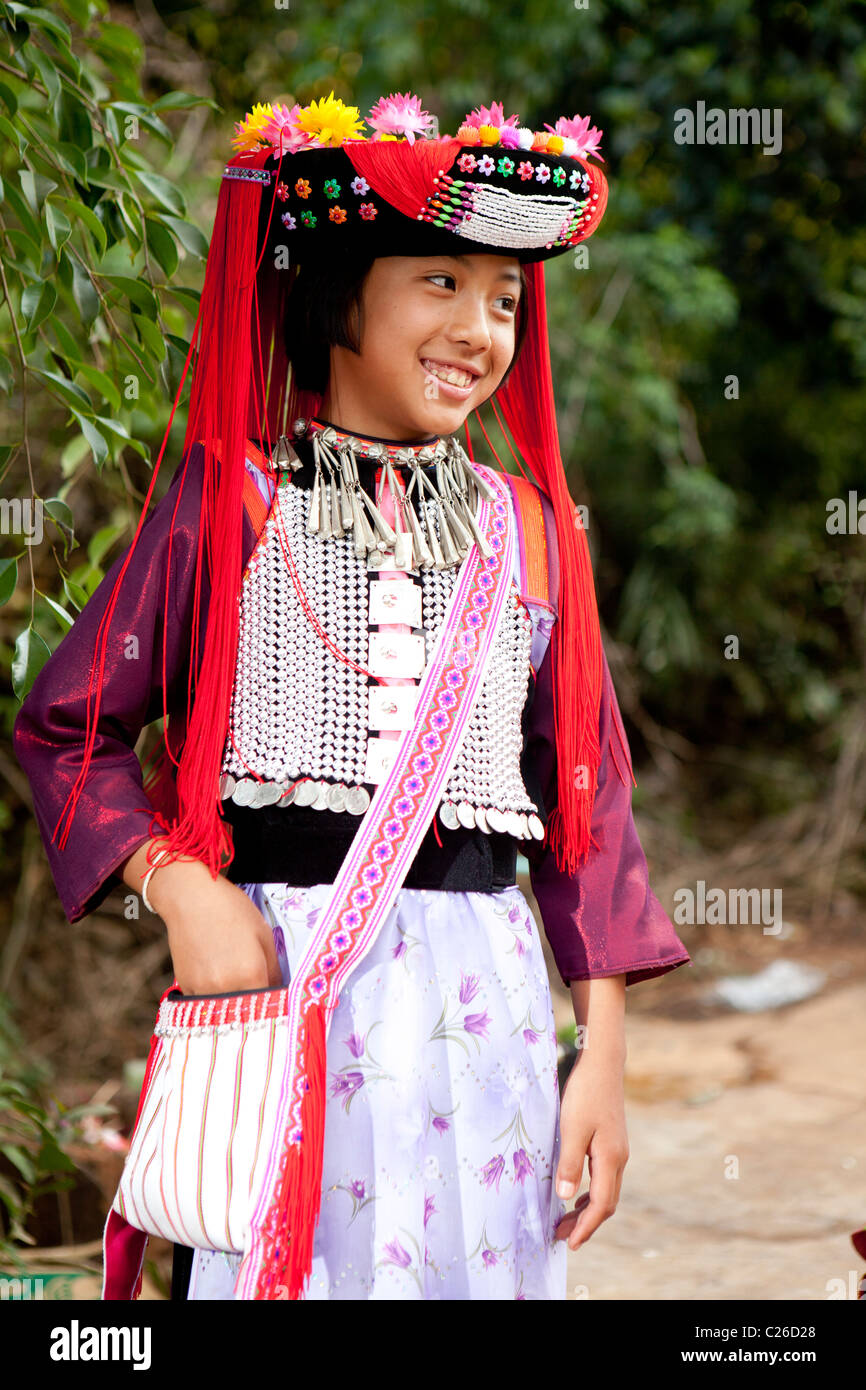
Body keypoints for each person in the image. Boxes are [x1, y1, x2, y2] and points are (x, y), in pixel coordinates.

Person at [12, 92, 690, 1300]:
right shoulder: (230, 504)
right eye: (440, 280)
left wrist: (602, 1057)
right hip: (283, 988)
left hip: (489, 1018)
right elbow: (69, 730)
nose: (480, 329)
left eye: (501, 299)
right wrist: (178, 888)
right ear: (336, 296)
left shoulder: (528, 535)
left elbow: (587, 810)